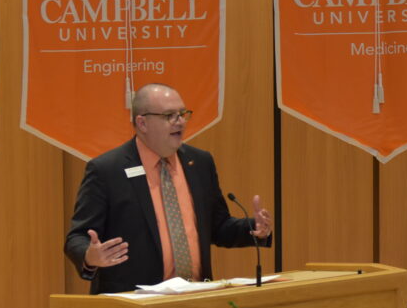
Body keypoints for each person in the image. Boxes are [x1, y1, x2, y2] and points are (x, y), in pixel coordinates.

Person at [64, 83, 272, 294]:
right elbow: (77, 238)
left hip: (196, 295)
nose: (180, 121)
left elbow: (218, 228)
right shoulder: (108, 170)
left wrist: (253, 228)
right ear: (142, 123)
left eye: (182, 114)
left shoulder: (199, 162)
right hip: (134, 301)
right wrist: (90, 256)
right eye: (169, 116)